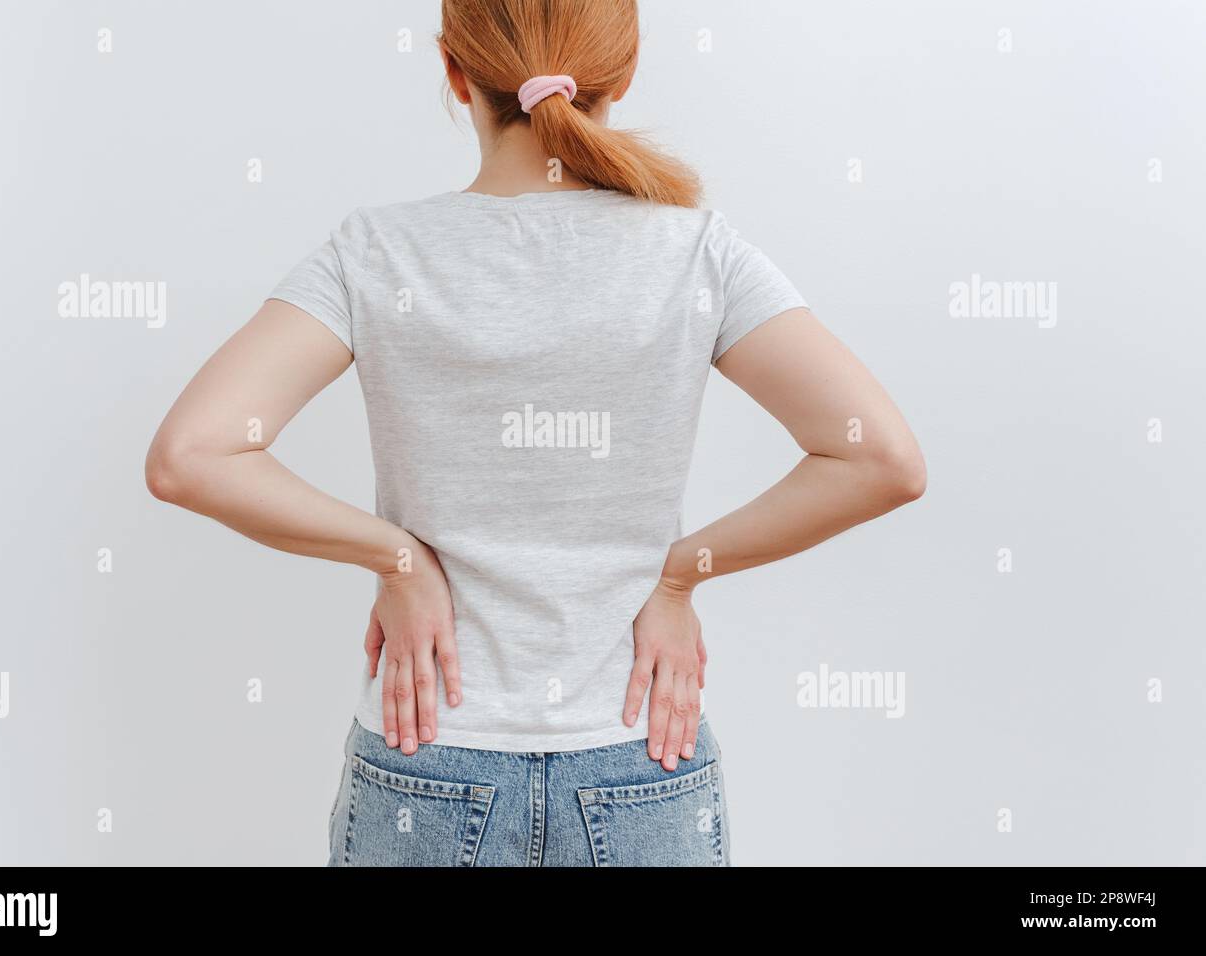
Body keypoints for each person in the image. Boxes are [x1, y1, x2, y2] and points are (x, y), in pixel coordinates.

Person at [145, 0, 925, 866]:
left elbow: (193, 456)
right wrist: (678, 578)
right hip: (641, 766)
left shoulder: (376, 253)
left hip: (426, 761)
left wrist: (397, 558)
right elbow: (880, 458)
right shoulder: (699, 254)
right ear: (622, 74)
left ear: (452, 70)